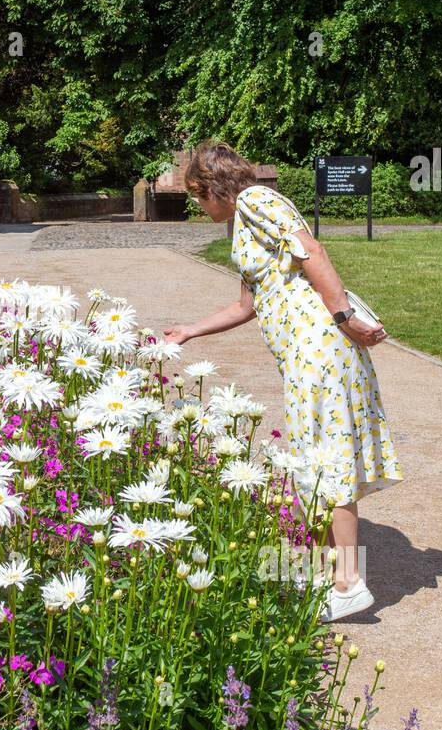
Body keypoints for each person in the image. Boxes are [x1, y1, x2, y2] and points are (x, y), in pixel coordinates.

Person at [164, 142, 402, 621]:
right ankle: (326, 573)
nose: (197, 204)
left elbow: (312, 250)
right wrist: (190, 330)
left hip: (319, 348)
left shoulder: (255, 201)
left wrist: (343, 315)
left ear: (214, 186)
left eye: (197, 195)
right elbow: (246, 305)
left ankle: (349, 582)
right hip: (303, 356)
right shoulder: (243, 222)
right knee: (316, 460)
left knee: (328, 460)